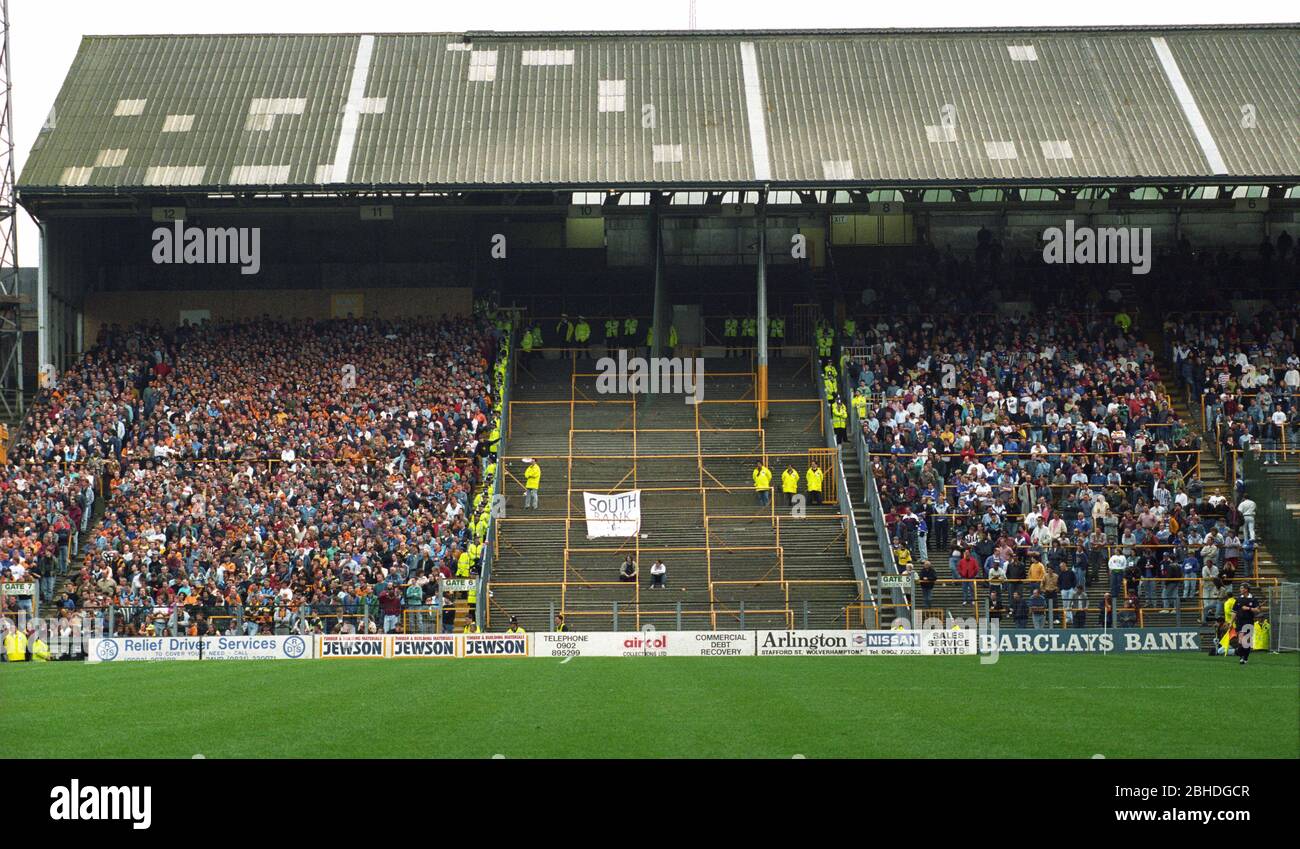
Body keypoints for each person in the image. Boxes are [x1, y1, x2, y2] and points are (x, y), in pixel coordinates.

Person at [1234, 585, 1260, 665]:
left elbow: (1258, 610)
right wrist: (1231, 622)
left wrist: (1249, 608)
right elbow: (1234, 611)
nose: (1240, 589)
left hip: (1249, 621)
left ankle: (1245, 657)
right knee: (1241, 641)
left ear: (1246, 589)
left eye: (1242, 588)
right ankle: (1241, 657)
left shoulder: (1253, 599)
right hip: (1240, 622)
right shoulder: (1238, 599)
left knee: (1247, 642)